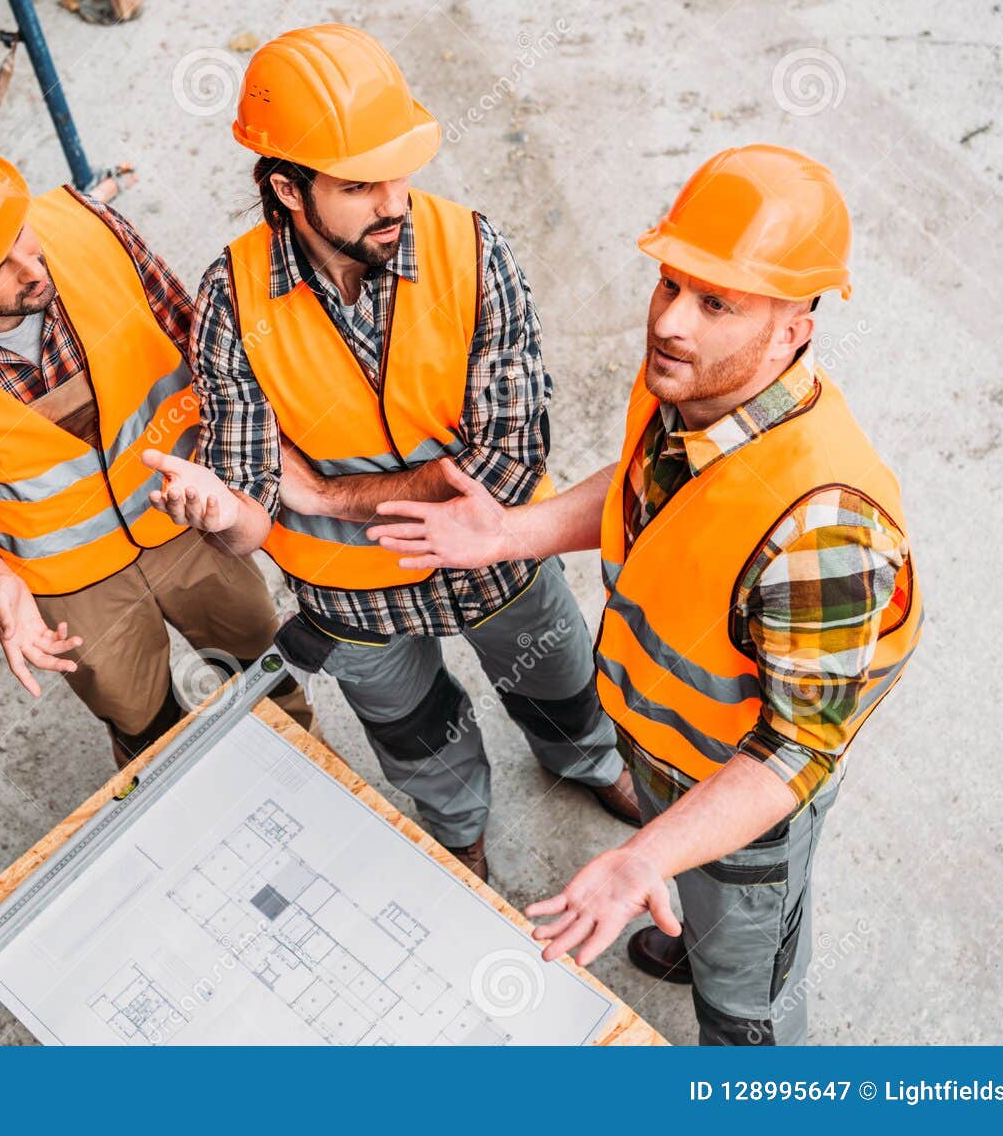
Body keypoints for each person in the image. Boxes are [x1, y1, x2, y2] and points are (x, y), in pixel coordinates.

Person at [368, 145, 923, 1044]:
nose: (672, 322)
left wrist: (640, 859)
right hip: (660, 743)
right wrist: (515, 531)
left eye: (718, 303)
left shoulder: (824, 524)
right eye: (671, 285)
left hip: (743, 795)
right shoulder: (691, 384)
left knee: (749, 1008)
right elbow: (644, 489)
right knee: (689, 883)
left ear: (794, 328)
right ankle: (696, 929)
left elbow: (793, 755)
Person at [142, 25, 635, 879]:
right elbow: (254, 517)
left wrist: (329, 499)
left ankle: (589, 761)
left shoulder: (471, 251)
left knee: (557, 679)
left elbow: (504, 463)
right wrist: (225, 513)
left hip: (494, 552)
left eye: (398, 171)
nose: (395, 201)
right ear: (288, 189)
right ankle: (461, 830)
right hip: (351, 598)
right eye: (360, 184)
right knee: (413, 733)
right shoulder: (231, 302)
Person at [0, 129, 312, 767]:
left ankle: (307, 774)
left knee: (263, 665)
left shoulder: (89, 230)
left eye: (18, 235)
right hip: (67, 578)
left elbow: (204, 349)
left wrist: (239, 478)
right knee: (143, 724)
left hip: (188, 522)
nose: (33, 269)